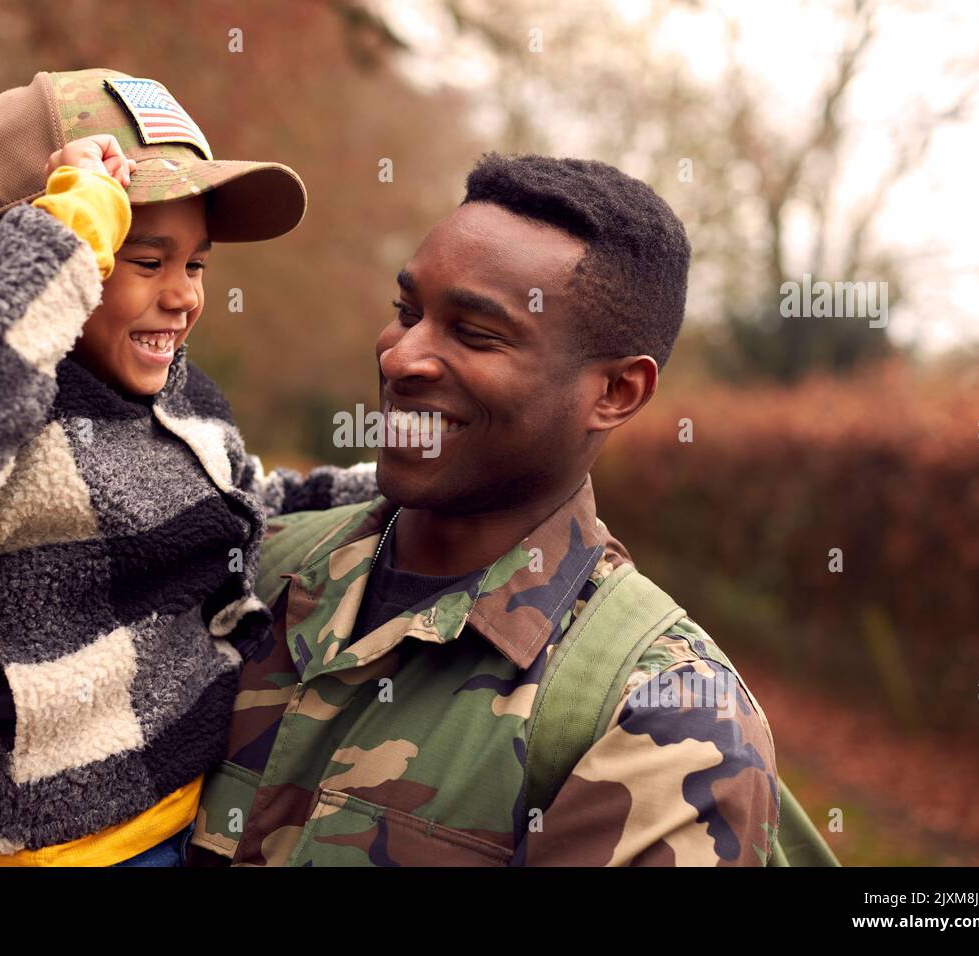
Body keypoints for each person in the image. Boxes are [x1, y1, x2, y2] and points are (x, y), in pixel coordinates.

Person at [0, 68, 375, 867]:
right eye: (144, 259)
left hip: (197, 809)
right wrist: (69, 230)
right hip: (74, 849)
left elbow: (247, 501)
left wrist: (389, 486)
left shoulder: (176, 398)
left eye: (197, 264)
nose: (184, 295)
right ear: (30, 259)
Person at [187, 153, 781, 866]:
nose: (402, 358)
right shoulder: (247, 570)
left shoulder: (665, 722)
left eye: (474, 334)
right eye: (407, 313)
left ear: (617, 392)